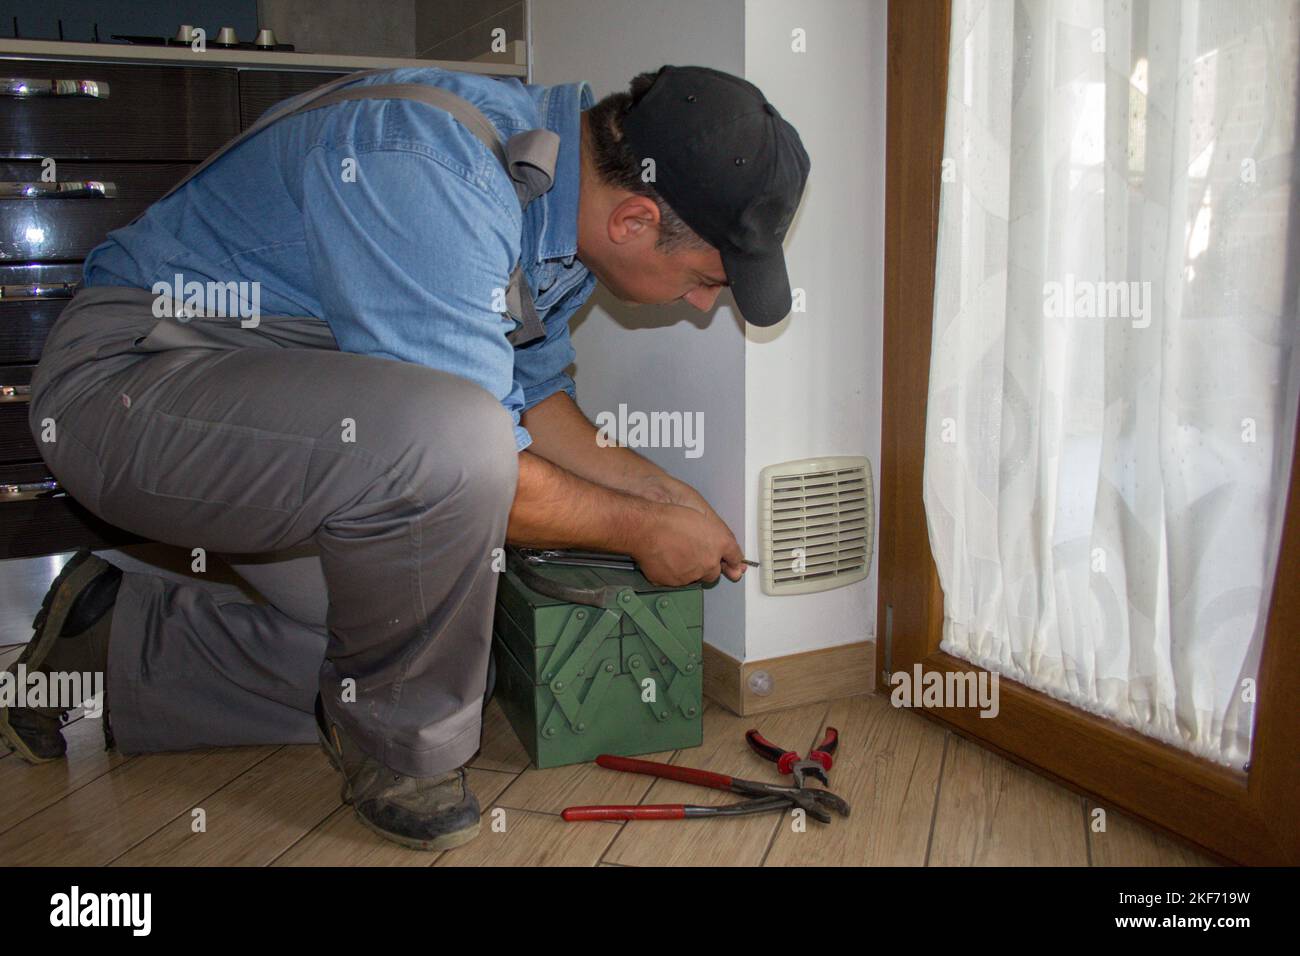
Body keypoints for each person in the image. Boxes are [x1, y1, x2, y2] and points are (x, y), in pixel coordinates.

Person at [0, 64, 810, 850]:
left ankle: (107, 643)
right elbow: (472, 461)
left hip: (294, 410)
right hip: (130, 386)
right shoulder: (434, 165)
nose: (705, 303)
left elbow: (537, 404)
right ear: (633, 220)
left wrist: (670, 499)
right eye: (708, 279)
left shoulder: (557, 215)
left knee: (432, 649)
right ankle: (395, 757)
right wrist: (639, 531)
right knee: (453, 466)